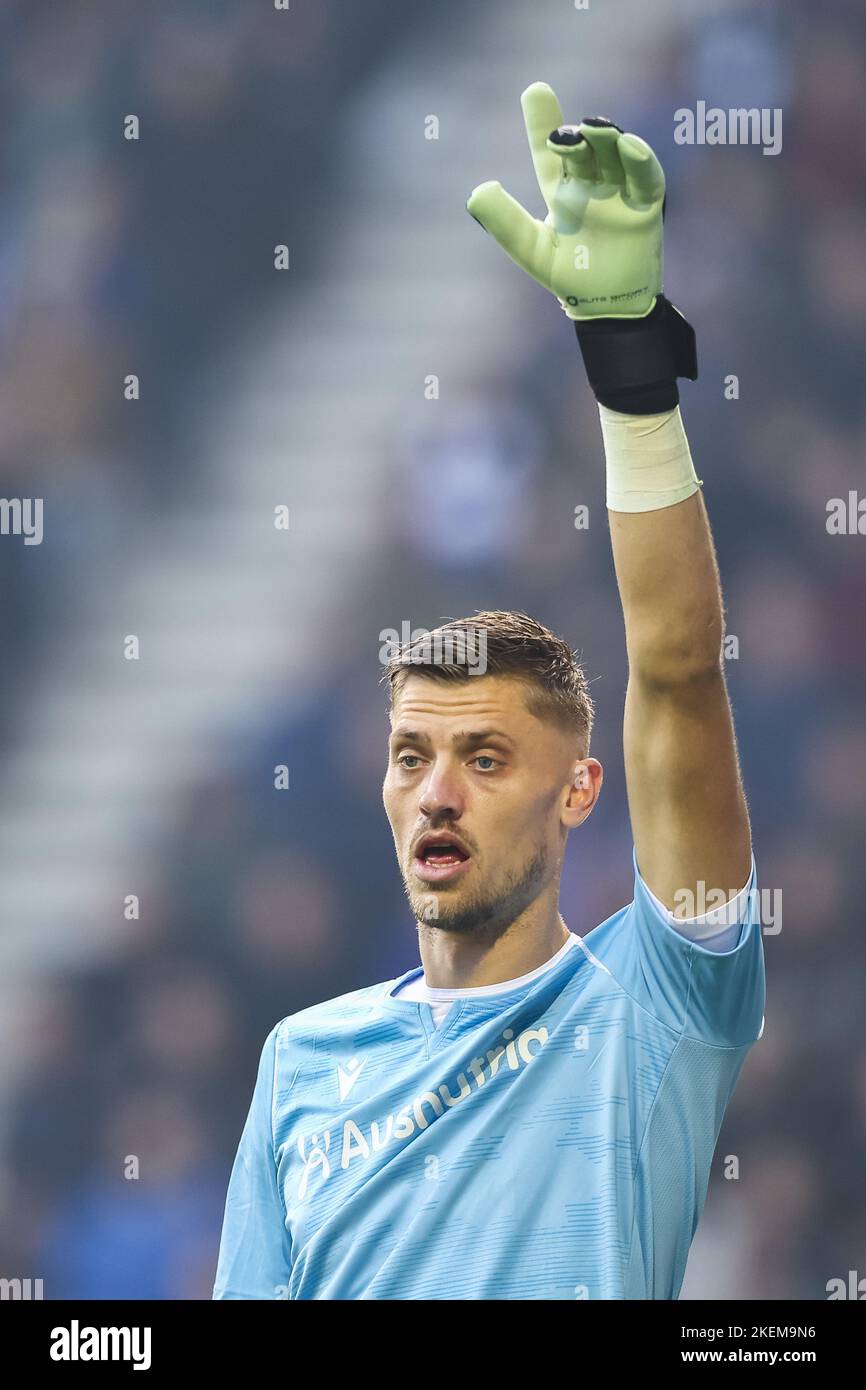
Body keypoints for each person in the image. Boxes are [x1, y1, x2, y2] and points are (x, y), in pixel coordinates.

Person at [213, 83, 765, 1301]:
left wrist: (628, 360)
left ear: (579, 791)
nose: (436, 793)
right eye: (411, 756)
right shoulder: (303, 1062)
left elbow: (677, 670)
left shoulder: (654, 1006)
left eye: (485, 756)